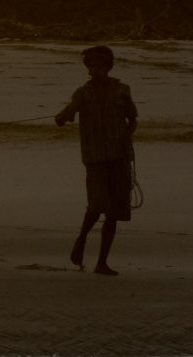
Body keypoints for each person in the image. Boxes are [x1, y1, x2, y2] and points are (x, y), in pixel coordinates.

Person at [55, 44, 137, 275]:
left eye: (100, 66)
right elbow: (69, 112)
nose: (96, 70)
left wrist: (127, 137)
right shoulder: (82, 93)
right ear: (88, 68)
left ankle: (102, 262)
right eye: (92, 66)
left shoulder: (122, 90)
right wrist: (61, 118)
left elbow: (132, 119)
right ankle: (81, 240)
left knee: (114, 212)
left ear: (108, 67)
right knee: (97, 206)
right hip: (95, 159)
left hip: (119, 158)